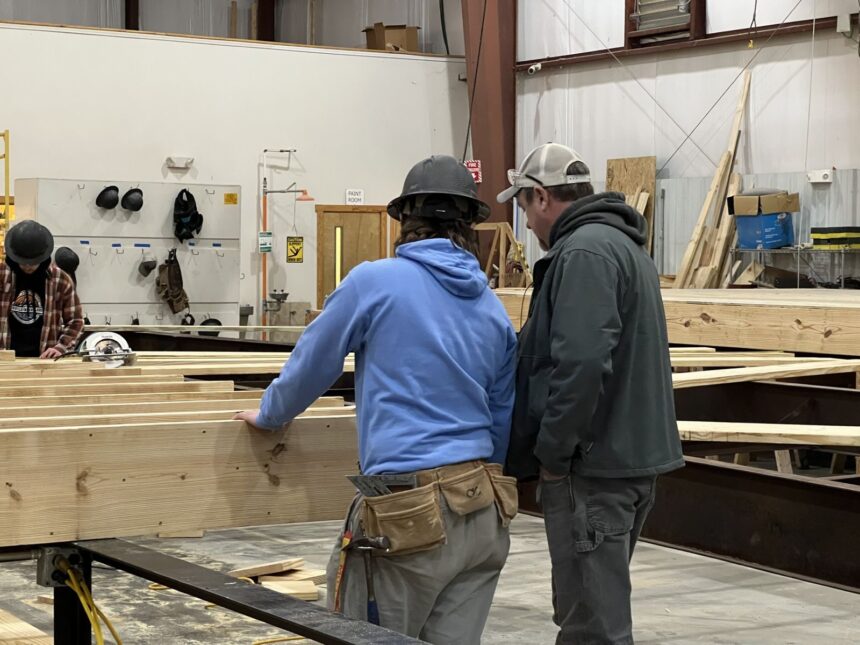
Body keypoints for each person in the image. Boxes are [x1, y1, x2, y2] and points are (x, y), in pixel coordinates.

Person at [235, 154, 519, 644]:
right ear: (471, 228)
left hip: (407, 516)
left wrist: (269, 413)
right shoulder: (493, 309)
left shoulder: (375, 281)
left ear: (406, 220)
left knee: (359, 636)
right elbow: (500, 415)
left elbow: (315, 361)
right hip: (482, 510)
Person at [497, 143, 684, 644]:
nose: (529, 227)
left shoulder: (583, 252)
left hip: (592, 469)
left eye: (523, 208)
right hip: (628, 460)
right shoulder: (625, 246)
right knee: (597, 614)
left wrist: (554, 453)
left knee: (591, 626)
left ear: (541, 197)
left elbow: (581, 364)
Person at [1, 220, 84, 358]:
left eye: (33, 262)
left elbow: (76, 320)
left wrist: (61, 347)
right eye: (23, 262)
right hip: (5, 360)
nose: (28, 266)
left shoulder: (60, 280)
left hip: (45, 360)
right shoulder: (1, 275)